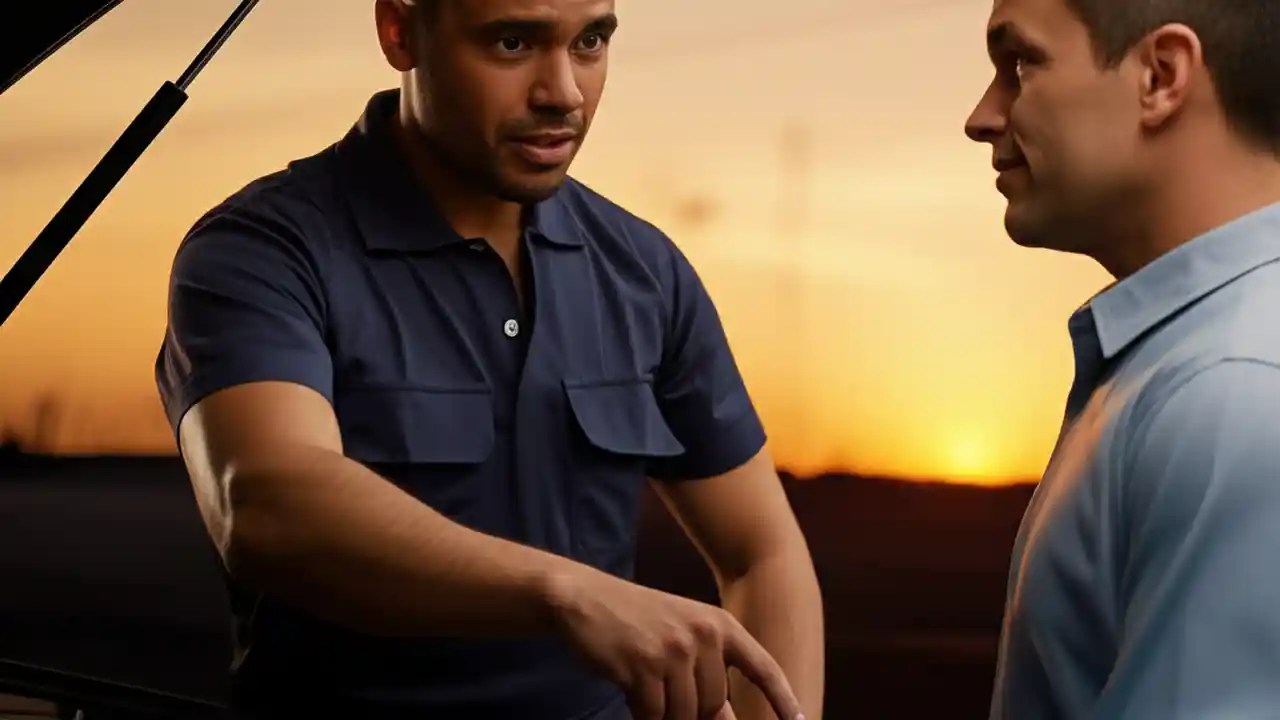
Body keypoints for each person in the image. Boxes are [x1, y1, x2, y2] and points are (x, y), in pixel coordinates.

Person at [154, 0, 824, 718]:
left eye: (591, 41)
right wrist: (568, 594)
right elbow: (266, 504)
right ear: (400, 31)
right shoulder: (262, 252)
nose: (563, 91)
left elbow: (763, 554)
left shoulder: (645, 272)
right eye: (512, 41)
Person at [965, 0, 1280, 717]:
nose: (983, 116)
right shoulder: (1186, 363)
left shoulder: (1232, 391)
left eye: (1020, 65)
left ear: (1160, 76)